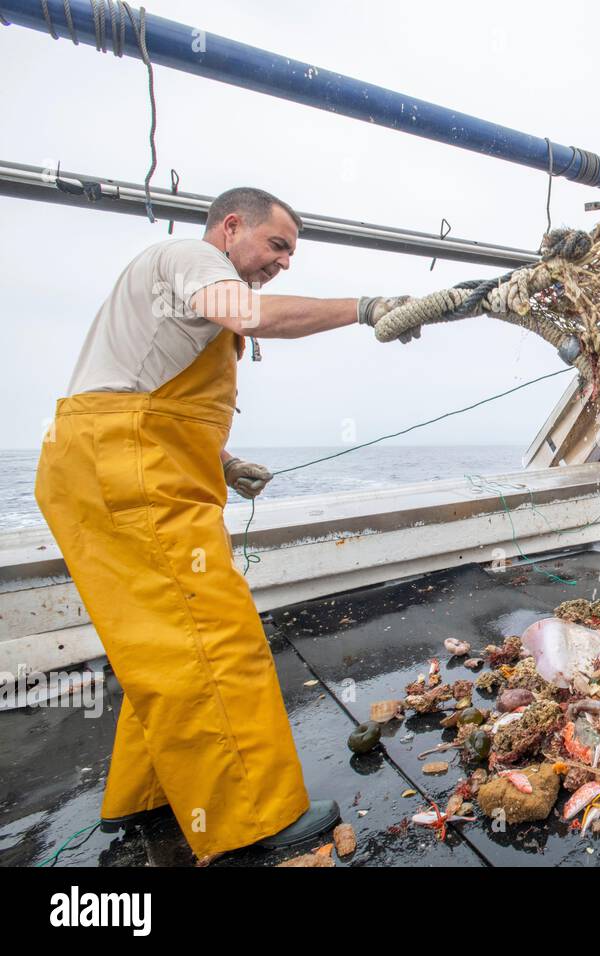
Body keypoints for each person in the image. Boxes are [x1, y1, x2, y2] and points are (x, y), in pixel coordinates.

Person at [34, 186, 414, 860]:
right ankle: (252, 822)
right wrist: (363, 309)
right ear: (231, 226)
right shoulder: (188, 256)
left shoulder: (167, 282)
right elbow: (246, 314)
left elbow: (140, 387)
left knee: (160, 642)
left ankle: (149, 795)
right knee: (214, 637)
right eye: (278, 245)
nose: (284, 262)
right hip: (128, 472)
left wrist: (227, 459)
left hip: (98, 465)